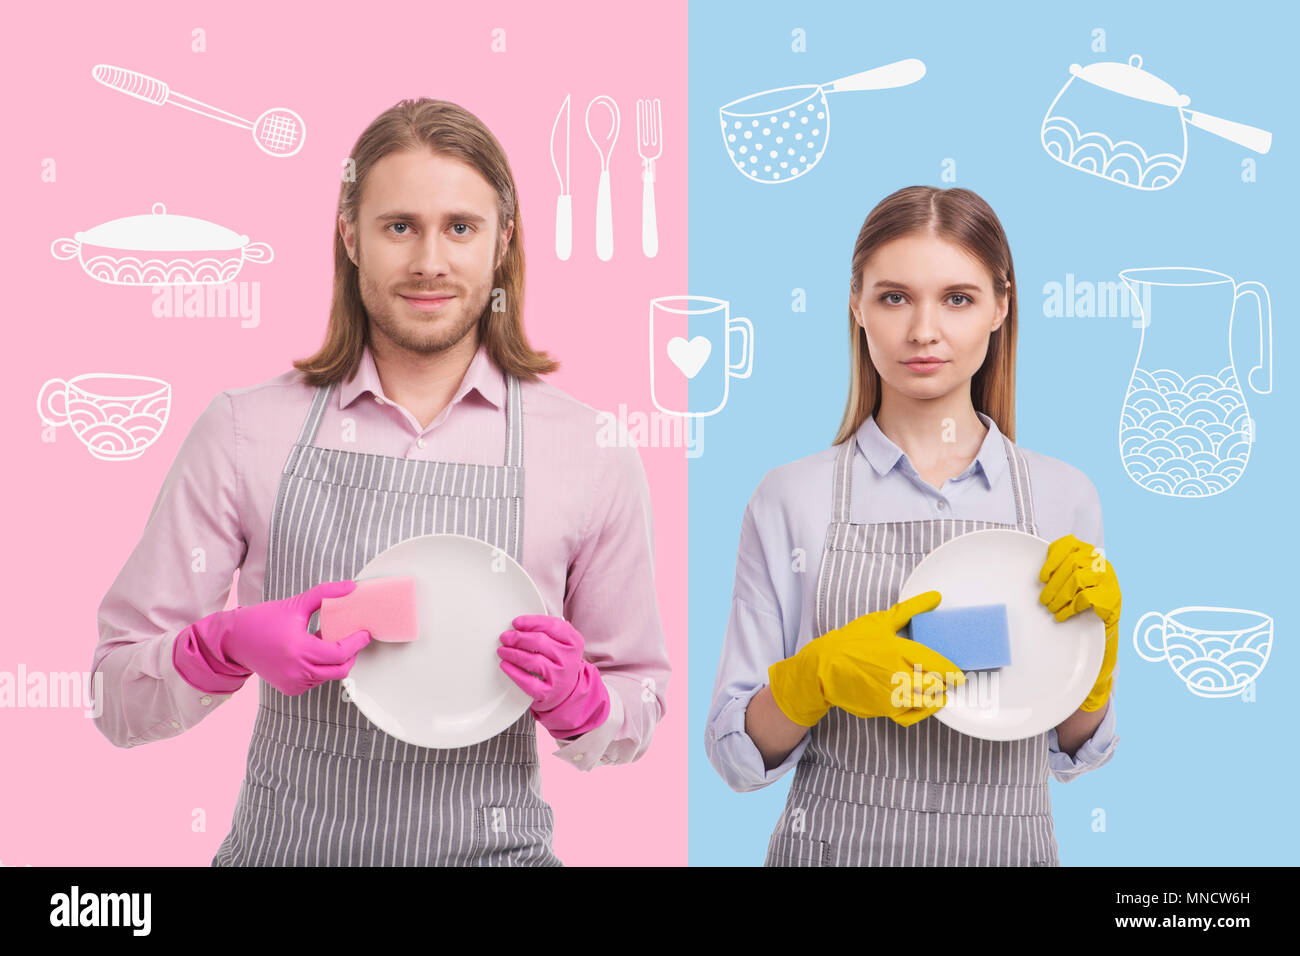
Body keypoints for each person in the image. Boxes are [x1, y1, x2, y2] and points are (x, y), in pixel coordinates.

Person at [92, 98, 670, 867]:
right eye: (399, 226)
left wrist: (584, 703)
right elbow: (114, 700)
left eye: (459, 227)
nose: (430, 261)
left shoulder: (589, 451)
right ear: (350, 237)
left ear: (502, 242)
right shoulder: (243, 430)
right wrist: (219, 646)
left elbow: (638, 703)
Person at [704, 185, 1120, 867]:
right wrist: (814, 676)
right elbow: (737, 757)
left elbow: (1073, 750)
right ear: (857, 305)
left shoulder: (1063, 497)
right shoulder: (790, 497)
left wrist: (1094, 671)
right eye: (895, 297)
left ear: (1001, 306)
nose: (924, 330)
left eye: (957, 298)